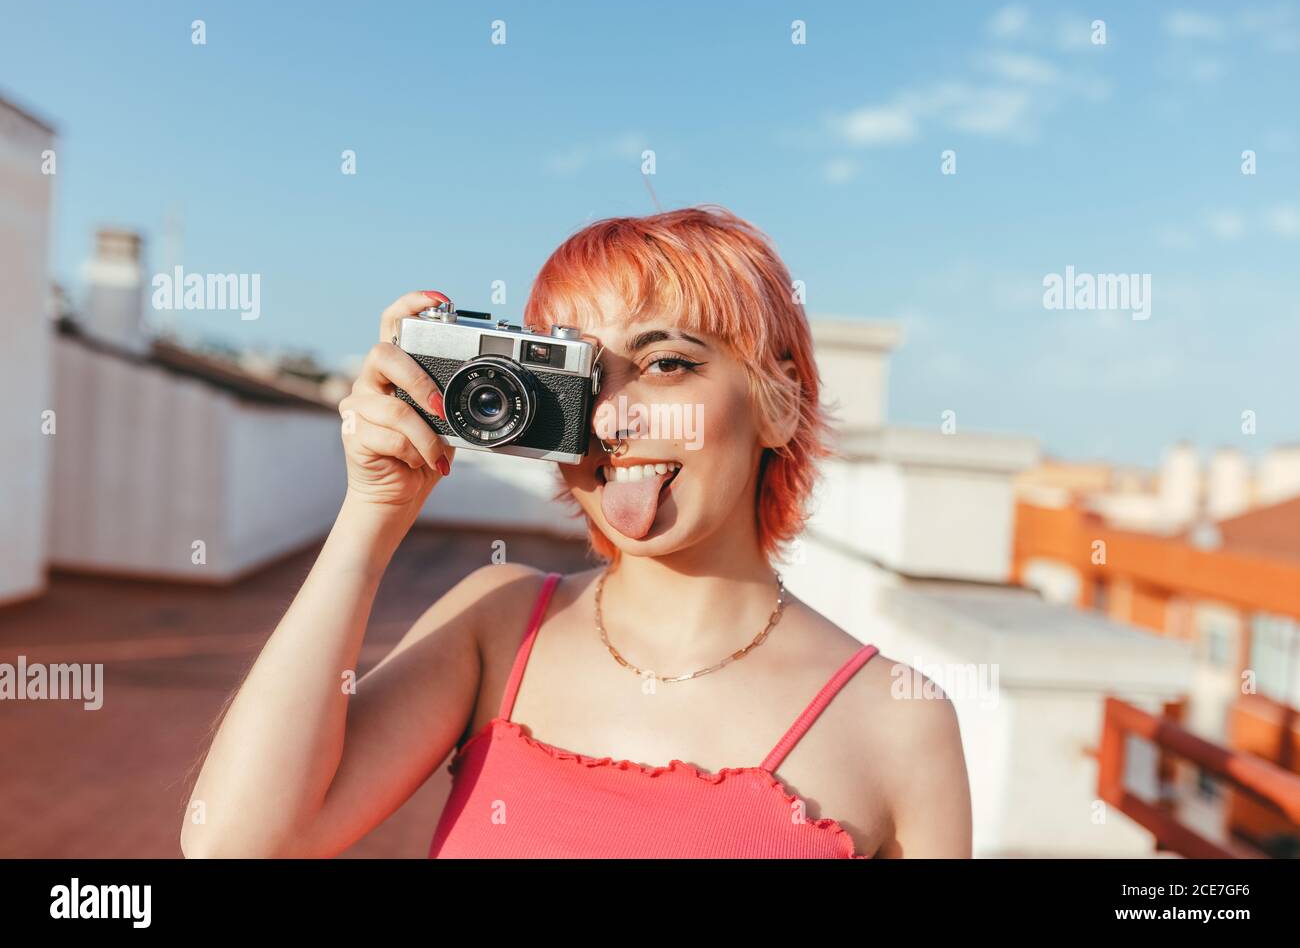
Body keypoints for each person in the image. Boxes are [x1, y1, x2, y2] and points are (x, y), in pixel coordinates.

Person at [180, 205, 972, 858]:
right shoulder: (496, 627)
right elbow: (237, 846)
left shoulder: (898, 720)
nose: (611, 418)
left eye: (666, 363)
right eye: (577, 375)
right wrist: (370, 516)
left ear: (778, 404)